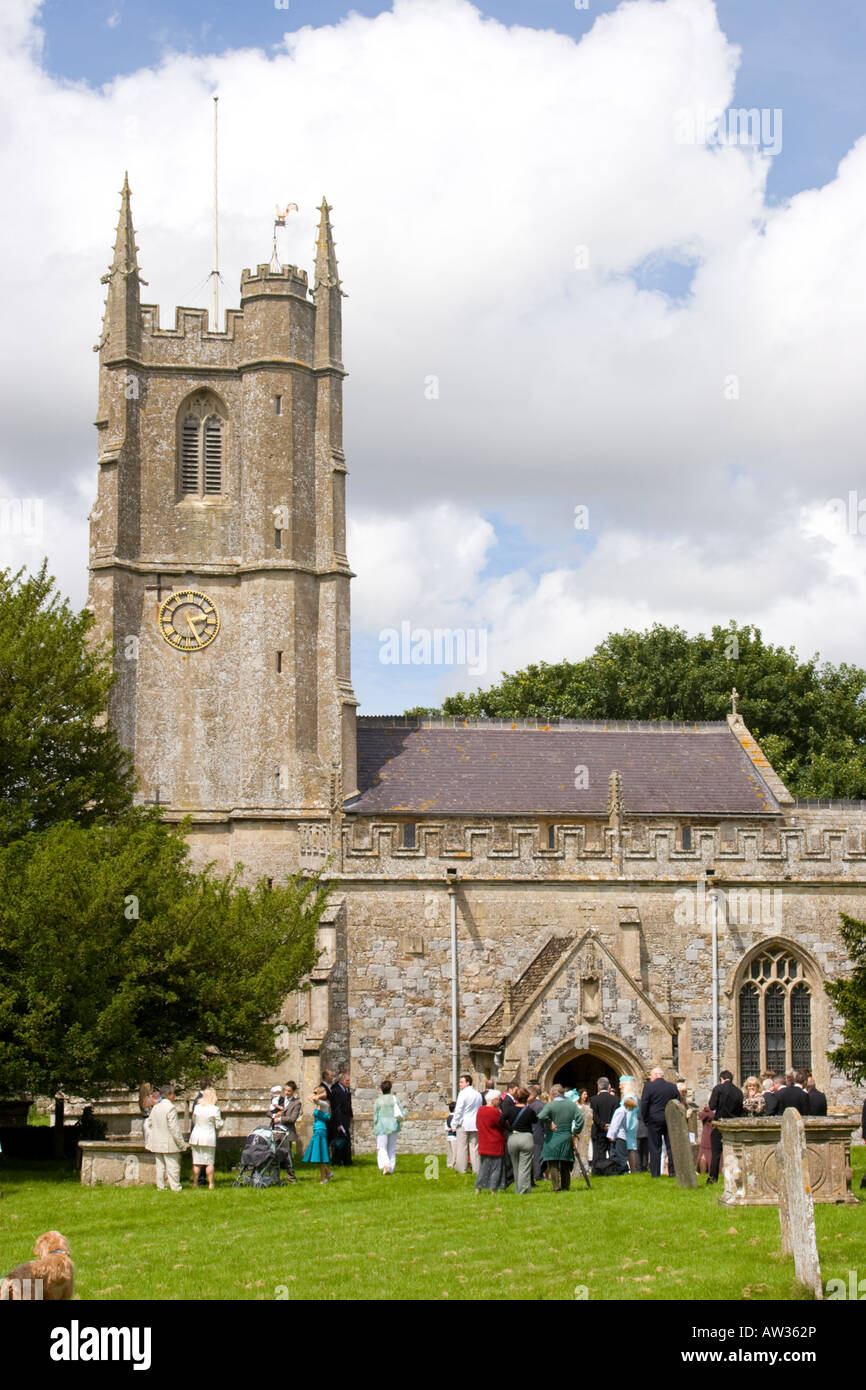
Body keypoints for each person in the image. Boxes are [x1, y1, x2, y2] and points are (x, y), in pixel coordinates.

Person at [146, 1084, 188, 1192]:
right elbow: (174, 1129)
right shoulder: (170, 1108)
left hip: (157, 1142)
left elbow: (149, 1123)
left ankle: (161, 1187)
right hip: (169, 1143)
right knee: (173, 1166)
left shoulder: (156, 1107)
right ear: (169, 1095)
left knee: (160, 1167)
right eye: (173, 1094)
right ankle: (176, 1188)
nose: (174, 1096)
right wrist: (181, 1144)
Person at [639, 1066, 680, 1178]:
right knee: (671, 1147)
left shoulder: (649, 1087)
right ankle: (673, 1172)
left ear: (657, 1075)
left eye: (651, 1076)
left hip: (654, 1119)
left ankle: (655, 1173)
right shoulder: (672, 1087)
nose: (650, 1078)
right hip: (669, 1119)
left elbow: (644, 1104)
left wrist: (645, 1118)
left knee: (654, 1147)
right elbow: (677, 1102)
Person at [538, 1085, 580, 1192]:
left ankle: (556, 1188)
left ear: (552, 1094)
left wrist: (549, 1121)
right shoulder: (571, 1105)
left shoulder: (550, 1105)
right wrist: (575, 1132)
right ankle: (566, 1187)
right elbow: (581, 1120)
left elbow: (541, 1116)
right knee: (565, 1163)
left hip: (553, 1137)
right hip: (566, 1136)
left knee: (553, 1163)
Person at [706, 1069, 744, 1185]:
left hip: (720, 1124)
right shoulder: (738, 1091)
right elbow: (740, 1110)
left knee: (716, 1153)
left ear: (721, 1079)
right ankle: (734, 1175)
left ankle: (713, 1178)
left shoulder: (718, 1088)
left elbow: (712, 1106)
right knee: (734, 1152)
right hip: (733, 1125)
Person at [189, 1086, 223, 1190]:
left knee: (196, 1162)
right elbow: (218, 1125)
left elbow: (194, 1121)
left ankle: (195, 1183)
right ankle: (211, 1184)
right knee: (209, 1162)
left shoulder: (197, 1108)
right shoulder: (215, 1109)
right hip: (208, 1138)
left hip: (196, 1137)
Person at [475, 1090, 508, 1193]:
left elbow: (477, 1124)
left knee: (483, 1167)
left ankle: (478, 1187)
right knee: (496, 1167)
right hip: (495, 1142)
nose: (499, 1101)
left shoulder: (480, 1110)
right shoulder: (494, 1112)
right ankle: (493, 1189)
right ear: (493, 1100)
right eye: (498, 1099)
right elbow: (503, 1124)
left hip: (483, 1141)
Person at [450, 1074, 482, 1175]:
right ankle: (477, 1169)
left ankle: (461, 1168)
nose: (460, 1084)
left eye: (461, 1082)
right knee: (474, 1146)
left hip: (464, 1122)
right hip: (475, 1123)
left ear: (467, 1083)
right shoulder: (478, 1094)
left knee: (462, 1146)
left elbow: (459, 1110)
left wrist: (453, 1123)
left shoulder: (463, 1094)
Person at [506, 1087, 536, 1195]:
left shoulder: (510, 1110)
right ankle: (524, 1190)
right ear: (526, 1098)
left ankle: (518, 1189)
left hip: (513, 1137)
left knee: (515, 1166)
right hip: (526, 1137)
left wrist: (509, 1129)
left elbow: (501, 1120)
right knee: (525, 1166)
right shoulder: (529, 1110)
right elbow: (535, 1120)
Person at [302, 1085, 333, 1184]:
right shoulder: (319, 1104)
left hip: (320, 1130)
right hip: (317, 1129)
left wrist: (320, 1095)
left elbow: (313, 1098)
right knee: (318, 1155)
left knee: (320, 1154)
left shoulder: (324, 1104)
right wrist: (317, 1095)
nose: (314, 1094)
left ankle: (324, 1177)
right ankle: (327, 1173)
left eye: (316, 1092)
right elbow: (310, 1098)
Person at [372, 1079, 403, 1174]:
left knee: (382, 1147)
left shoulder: (378, 1101)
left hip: (381, 1127)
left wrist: (375, 1123)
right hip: (393, 1126)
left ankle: (386, 1165)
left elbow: (375, 1115)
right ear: (390, 1089)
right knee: (391, 1148)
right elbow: (402, 1111)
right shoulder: (395, 1099)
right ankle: (391, 1168)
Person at [589, 1078, 618, 1174]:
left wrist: (602, 1125)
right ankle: (612, 1170)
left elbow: (594, 1115)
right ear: (608, 1086)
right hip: (612, 1130)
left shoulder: (594, 1099)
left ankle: (599, 1171)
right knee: (612, 1152)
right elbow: (616, 1115)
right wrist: (610, 1125)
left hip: (598, 1131)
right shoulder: (615, 1099)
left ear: (598, 1087)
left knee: (599, 1153)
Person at [607, 1094, 636, 1174]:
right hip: (619, 1136)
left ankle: (617, 1170)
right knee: (621, 1155)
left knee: (616, 1154)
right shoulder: (622, 1112)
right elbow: (616, 1124)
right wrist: (612, 1135)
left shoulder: (621, 1111)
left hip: (617, 1136)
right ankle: (623, 1170)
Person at [330, 1070, 354, 1165]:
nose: (348, 1082)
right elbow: (336, 1109)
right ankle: (337, 1161)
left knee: (345, 1141)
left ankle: (346, 1160)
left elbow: (348, 1105)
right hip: (339, 1120)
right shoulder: (336, 1091)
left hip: (345, 1119)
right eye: (347, 1081)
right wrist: (339, 1123)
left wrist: (351, 1115)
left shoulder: (346, 1090)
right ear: (342, 1081)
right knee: (339, 1142)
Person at [526, 1083, 546, 1182]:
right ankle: (537, 1175)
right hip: (539, 1132)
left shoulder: (528, 1105)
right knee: (538, 1154)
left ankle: (531, 1175)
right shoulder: (542, 1105)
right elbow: (545, 1121)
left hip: (528, 1132)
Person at [573, 1089, 592, 1174]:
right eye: (584, 1094)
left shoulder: (588, 1105)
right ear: (580, 1095)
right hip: (578, 1129)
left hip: (586, 1130)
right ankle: (577, 1167)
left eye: (586, 1094)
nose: (586, 1096)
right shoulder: (575, 1105)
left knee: (585, 1149)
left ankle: (585, 1166)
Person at [697, 1102, 714, 1174]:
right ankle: (703, 1173)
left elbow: (699, 1116)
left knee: (705, 1155)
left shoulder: (708, 1111)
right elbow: (699, 1116)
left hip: (710, 1135)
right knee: (704, 1155)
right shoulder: (708, 1111)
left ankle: (703, 1173)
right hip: (708, 1135)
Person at [445, 1101, 457, 1168]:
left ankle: (449, 1164)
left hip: (449, 1136)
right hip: (454, 1137)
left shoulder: (448, 1117)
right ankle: (453, 1164)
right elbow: (454, 1127)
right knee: (454, 1152)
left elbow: (446, 1128)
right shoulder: (455, 1117)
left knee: (449, 1152)